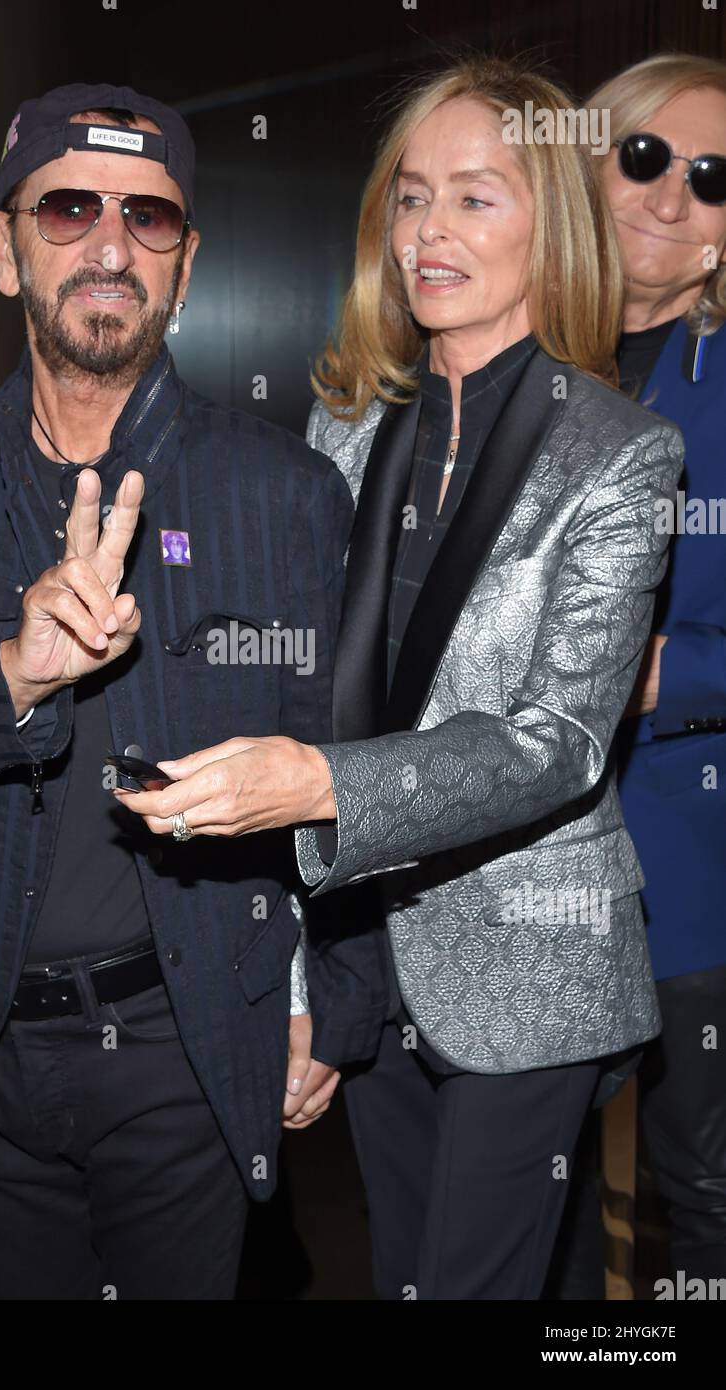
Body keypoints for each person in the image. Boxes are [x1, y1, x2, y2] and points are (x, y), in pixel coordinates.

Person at [116, 56, 685, 1299]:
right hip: (373, 950)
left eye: (477, 197)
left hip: (539, 962)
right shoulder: (348, 431)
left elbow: (560, 744)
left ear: (556, 225)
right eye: (413, 196)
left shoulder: (626, 453)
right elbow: (318, 699)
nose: (430, 230)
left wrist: (319, 781)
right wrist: (314, 988)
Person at [0, 83, 387, 1300]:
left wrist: (332, 998)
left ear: (186, 265)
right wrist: (13, 677)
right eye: (69, 207)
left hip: (188, 1045)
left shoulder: (281, 494)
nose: (111, 246)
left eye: (151, 217)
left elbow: (350, 768)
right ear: (3, 241)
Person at [555, 53, 726, 1295]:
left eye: (714, 177)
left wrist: (669, 675)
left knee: (703, 1189)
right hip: (501, 865)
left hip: (686, 854)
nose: (673, 197)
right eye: (646, 155)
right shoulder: (491, 360)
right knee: (528, 1190)